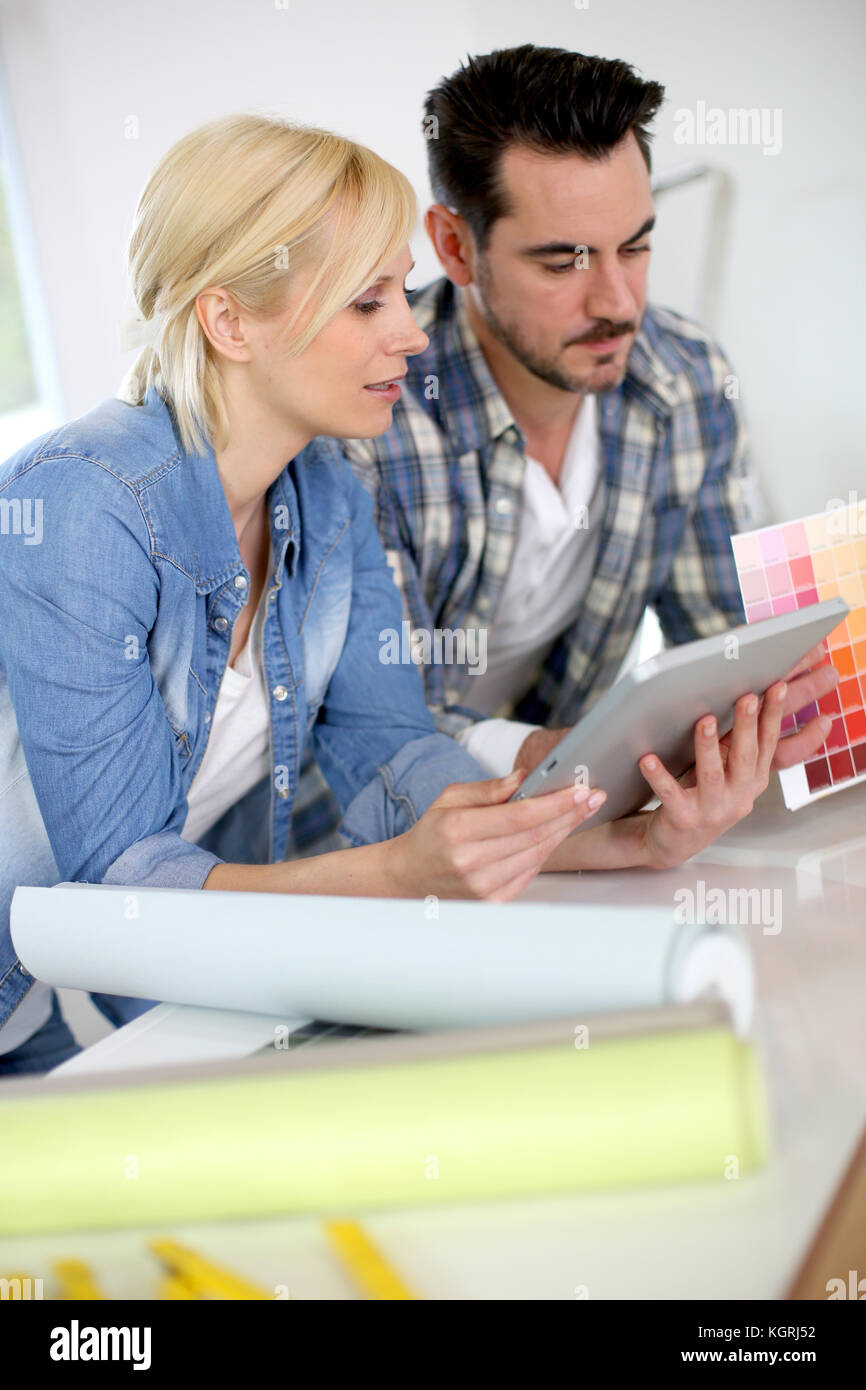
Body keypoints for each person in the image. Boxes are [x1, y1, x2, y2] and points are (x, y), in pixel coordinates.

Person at [0, 112, 794, 1076]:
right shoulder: (84, 503)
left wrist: (619, 838)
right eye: (367, 303)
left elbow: (391, 752)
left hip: (61, 997)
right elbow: (117, 884)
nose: (415, 334)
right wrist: (391, 875)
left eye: (402, 293)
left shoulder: (327, 491)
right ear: (229, 321)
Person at [289, 44, 837, 861]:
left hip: (573, 836)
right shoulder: (367, 418)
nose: (618, 302)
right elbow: (375, 724)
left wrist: (760, 719)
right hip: (345, 853)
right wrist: (544, 756)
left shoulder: (683, 382)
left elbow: (723, 639)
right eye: (563, 261)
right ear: (455, 246)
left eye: (636, 246)